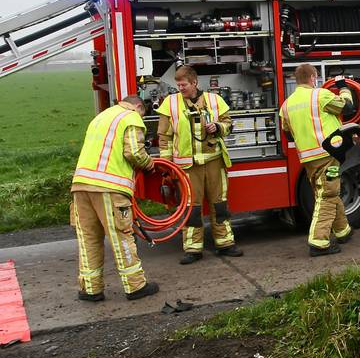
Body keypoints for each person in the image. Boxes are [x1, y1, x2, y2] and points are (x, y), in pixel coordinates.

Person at [71, 95, 160, 301]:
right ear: (138, 107)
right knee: (121, 236)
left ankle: (91, 289)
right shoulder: (130, 117)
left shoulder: (101, 117)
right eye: (142, 114)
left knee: (88, 238)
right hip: (108, 187)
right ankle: (136, 286)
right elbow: (134, 153)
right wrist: (150, 165)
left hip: (80, 185)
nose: (141, 118)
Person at [156, 65, 244, 264]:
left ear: (194, 82)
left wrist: (218, 127)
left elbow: (229, 124)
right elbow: (164, 137)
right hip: (187, 166)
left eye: (184, 85)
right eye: (178, 85)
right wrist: (167, 166)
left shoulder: (214, 100)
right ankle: (193, 249)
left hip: (214, 161)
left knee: (219, 204)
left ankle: (225, 243)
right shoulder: (170, 103)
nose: (180, 88)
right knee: (191, 208)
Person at [280, 64, 354, 256]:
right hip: (328, 154)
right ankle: (319, 242)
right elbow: (347, 107)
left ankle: (343, 231)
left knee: (327, 193)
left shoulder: (286, 105)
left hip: (308, 159)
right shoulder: (320, 95)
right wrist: (343, 87)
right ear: (313, 77)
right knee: (328, 194)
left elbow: (288, 135)